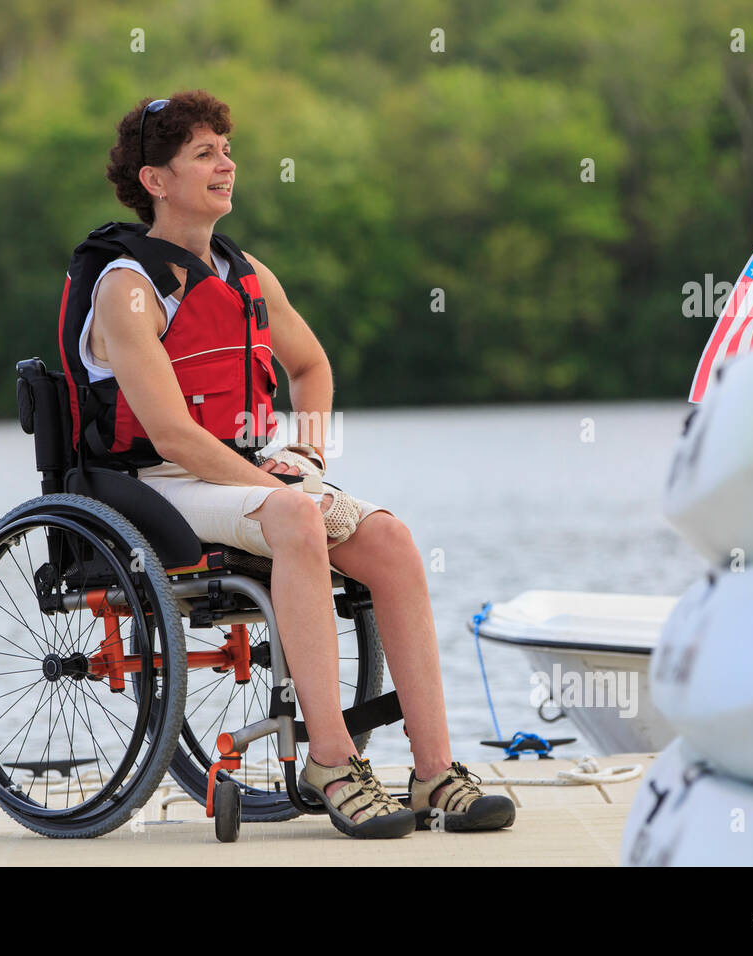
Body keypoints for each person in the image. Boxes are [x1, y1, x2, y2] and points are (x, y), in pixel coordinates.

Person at [65, 90, 514, 838]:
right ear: (156, 180)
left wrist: (305, 452)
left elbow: (310, 367)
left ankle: (434, 772)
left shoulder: (246, 272)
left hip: (243, 473)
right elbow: (173, 436)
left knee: (392, 542)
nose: (226, 164)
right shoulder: (126, 289)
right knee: (297, 514)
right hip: (157, 486)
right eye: (204, 153)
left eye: (227, 150)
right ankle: (332, 763)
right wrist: (275, 484)